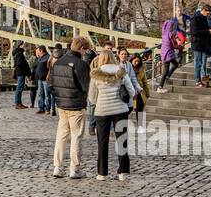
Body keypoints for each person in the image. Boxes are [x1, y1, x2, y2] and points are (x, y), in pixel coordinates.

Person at [88, 47, 137, 182]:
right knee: (122, 142)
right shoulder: (121, 71)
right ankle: (123, 172)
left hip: (102, 111)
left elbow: (91, 98)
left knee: (102, 143)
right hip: (120, 110)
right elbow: (132, 91)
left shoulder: (95, 74)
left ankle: (102, 173)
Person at [48, 37, 91, 178]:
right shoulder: (81, 64)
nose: (86, 52)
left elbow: (51, 85)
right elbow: (86, 87)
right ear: (81, 48)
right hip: (76, 105)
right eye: (86, 49)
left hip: (61, 105)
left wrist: (59, 98)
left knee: (61, 136)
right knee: (76, 137)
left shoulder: (58, 62)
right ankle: (74, 169)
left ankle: (57, 167)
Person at [190, 3, 211, 88]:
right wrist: (208, 31)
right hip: (197, 44)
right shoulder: (195, 19)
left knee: (204, 62)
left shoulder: (204, 18)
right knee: (198, 63)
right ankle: (197, 80)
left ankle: (202, 79)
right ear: (203, 10)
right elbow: (194, 32)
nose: (208, 15)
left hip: (204, 44)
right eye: (208, 13)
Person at [157, 16, 183, 93]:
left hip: (164, 53)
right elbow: (175, 45)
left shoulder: (164, 34)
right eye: (172, 26)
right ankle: (160, 87)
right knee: (166, 70)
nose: (172, 27)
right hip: (168, 53)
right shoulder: (170, 34)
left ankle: (167, 77)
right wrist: (180, 47)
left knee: (176, 64)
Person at [130, 50, 150, 124]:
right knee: (128, 110)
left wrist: (147, 93)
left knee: (140, 109)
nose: (136, 63)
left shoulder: (142, 69)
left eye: (138, 61)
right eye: (135, 61)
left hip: (139, 92)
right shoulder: (128, 68)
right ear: (131, 60)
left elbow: (145, 82)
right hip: (130, 92)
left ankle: (140, 125)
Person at [12, 40, 31, 109]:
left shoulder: (17, 53)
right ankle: (18, 103)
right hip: (21, 72)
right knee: (19, 88)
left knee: (19, 88)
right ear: (20, 45)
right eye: (24, 44)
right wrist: (27, 71)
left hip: (19, 72)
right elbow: (20, 64)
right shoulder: (20, 53)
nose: (25, 45)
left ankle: (19, 103)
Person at [34, 46, 51, 115]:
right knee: (40, 94)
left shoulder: (48, 57)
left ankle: (48, 109)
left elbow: (50, 68)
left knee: (47, 94)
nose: (36, 52)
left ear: (41, 51)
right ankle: (41, 108)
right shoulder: (40, 58)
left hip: (45, 79)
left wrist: (48, 76)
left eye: (37, 51)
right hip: (40, 79)